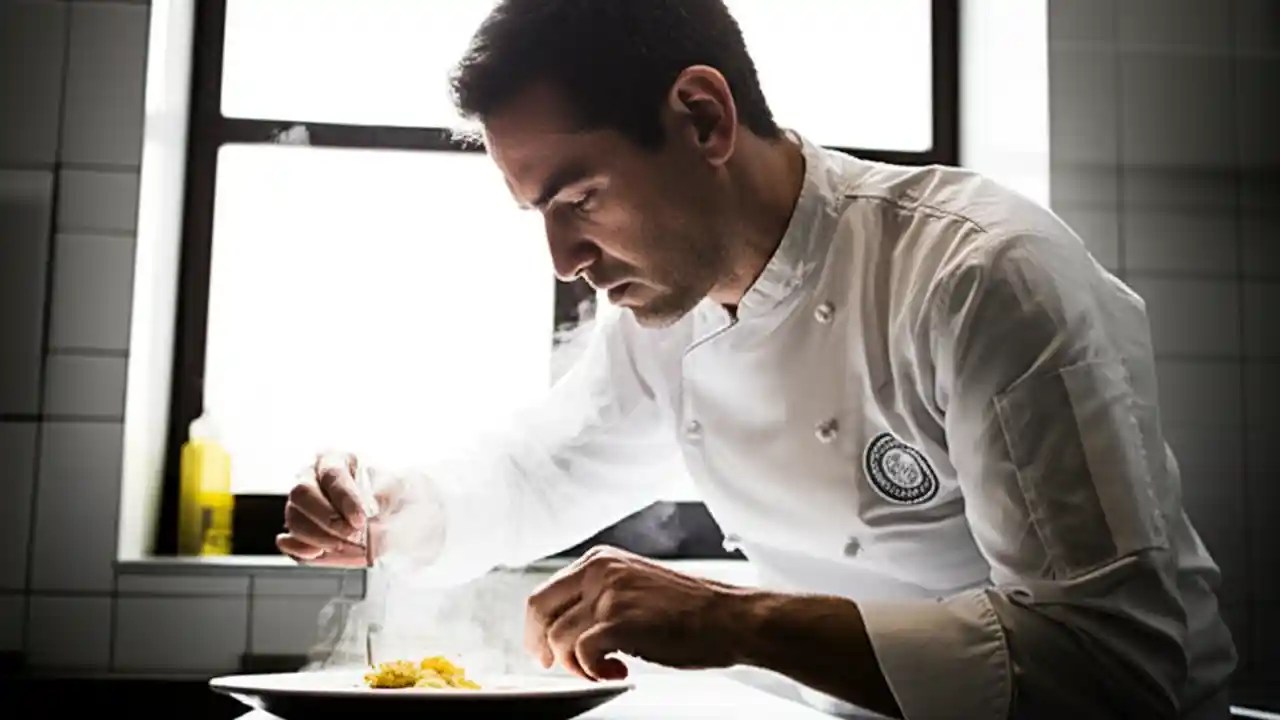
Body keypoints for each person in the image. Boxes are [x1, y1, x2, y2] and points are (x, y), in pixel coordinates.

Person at [276, 1, 1237, 717]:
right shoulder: (666, 317)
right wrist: (390, 512)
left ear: (703, 118)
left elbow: (1110, 669)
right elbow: (542, 469)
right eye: (540, 215)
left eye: (580, 199)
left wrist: (733, 620)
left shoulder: (983, 277)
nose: (564, 262)